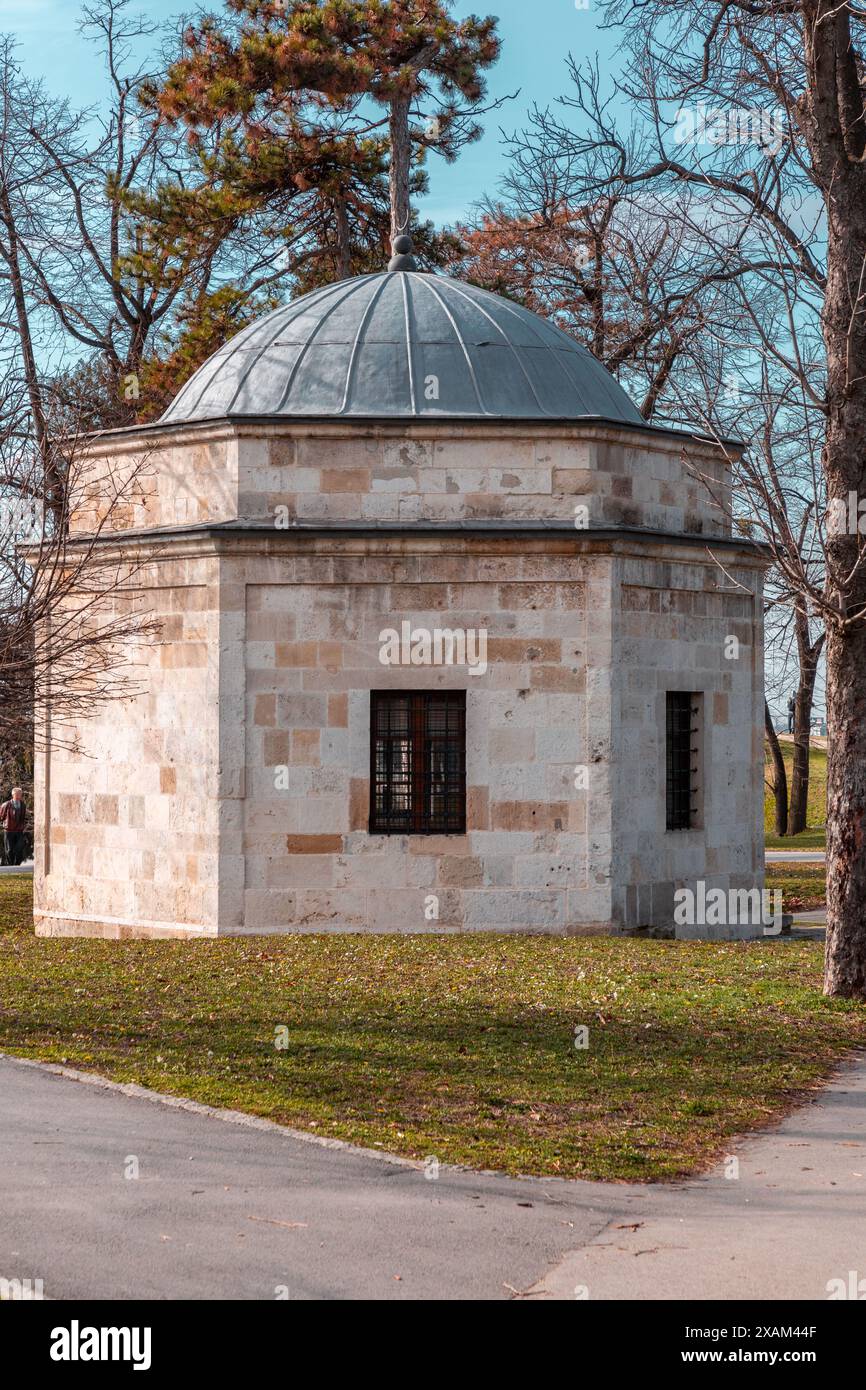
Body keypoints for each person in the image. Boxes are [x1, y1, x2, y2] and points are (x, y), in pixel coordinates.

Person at [0, 787, 27, 865]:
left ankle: (17, 865)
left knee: (19, 848)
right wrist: (5, 823)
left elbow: (23, 817)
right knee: (9, 849)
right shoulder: (6, 804)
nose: (19, 796)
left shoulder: (23, 805)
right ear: (13, 795)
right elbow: (1, 816)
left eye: (20, 794)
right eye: (17, 794)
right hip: (9, 830)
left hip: (19, 830)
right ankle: (10, 865)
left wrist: (22, 826)